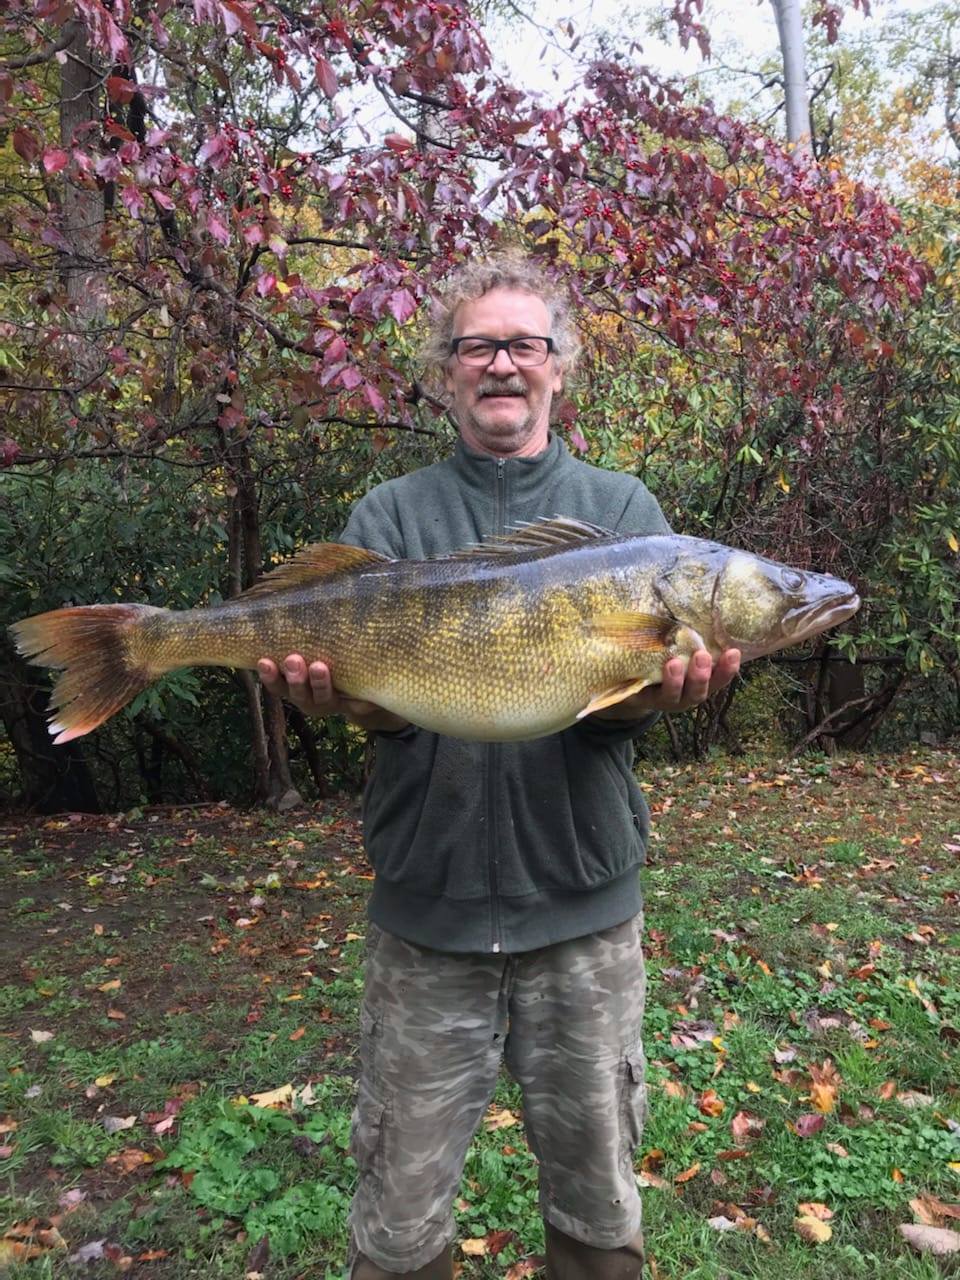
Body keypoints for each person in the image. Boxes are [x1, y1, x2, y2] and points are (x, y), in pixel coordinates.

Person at [258, 254, 740, 1280]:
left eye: (526, 344)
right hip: (426, 917)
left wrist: (652, 699)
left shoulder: (624, 513)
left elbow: (606, 720)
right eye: (480, 344)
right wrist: (345, 703)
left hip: (582, 916)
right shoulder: (389, 519)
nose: (503, 365)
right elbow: (395, 715)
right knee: (396, 1222)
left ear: (561, 368)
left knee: (601, 1205)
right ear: (447, 370)